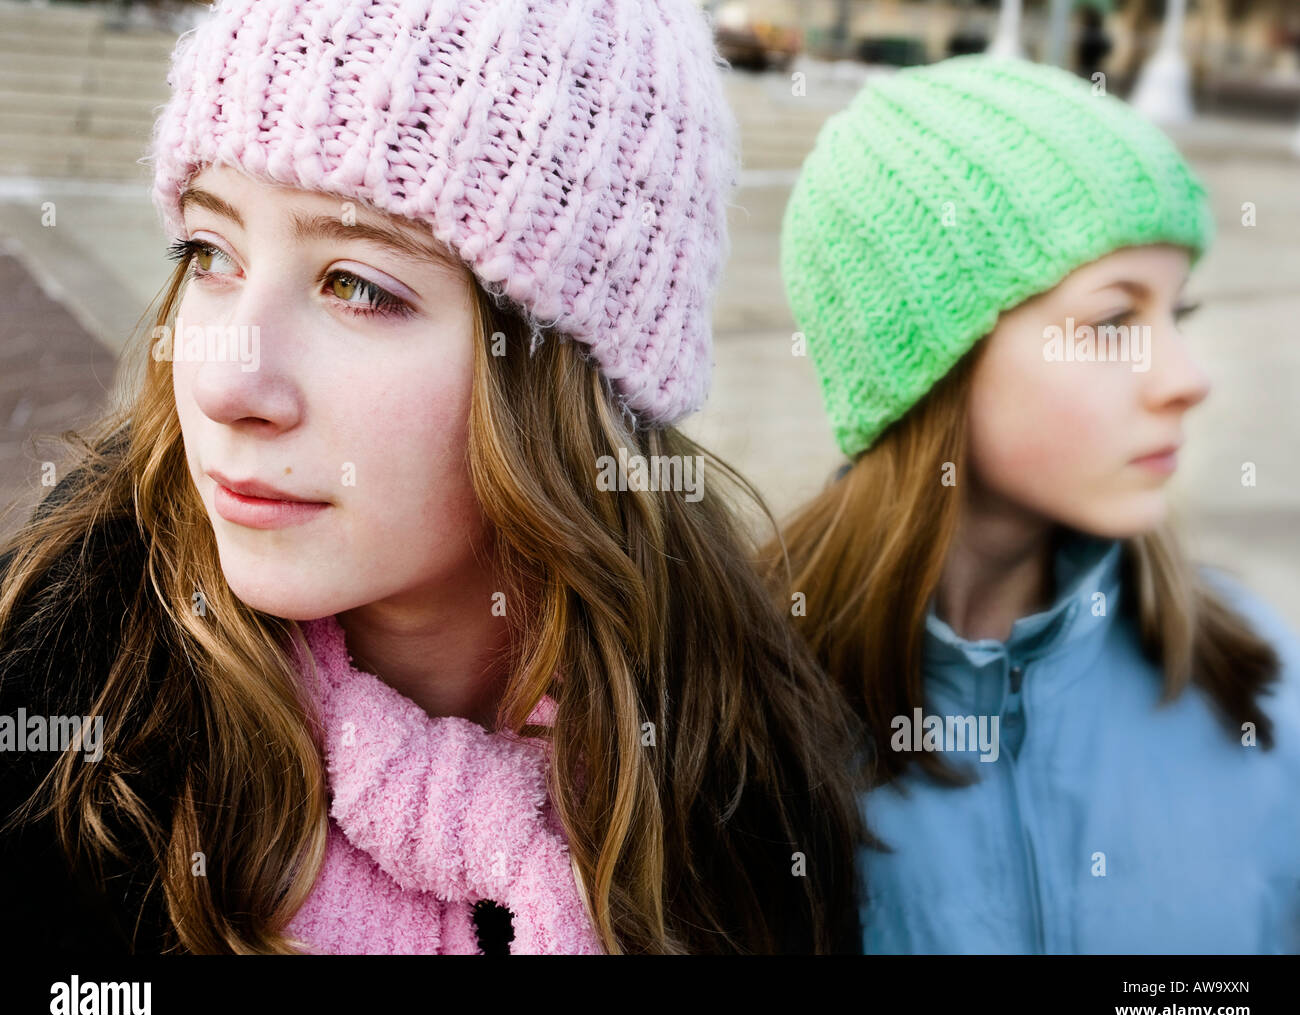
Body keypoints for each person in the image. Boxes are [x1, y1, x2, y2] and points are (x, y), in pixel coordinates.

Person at [0, 0, 867, 955]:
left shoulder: (740, 784)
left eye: (358, 285)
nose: (224, 381)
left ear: (567, 378)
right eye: (210, 254)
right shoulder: (67, 746)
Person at [771, 54, 1300, 953]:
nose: (1187, 378)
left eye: (1181, 314)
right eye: (1112, 321)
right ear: (933, 366)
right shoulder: (745, 727)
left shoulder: (1257, 679)